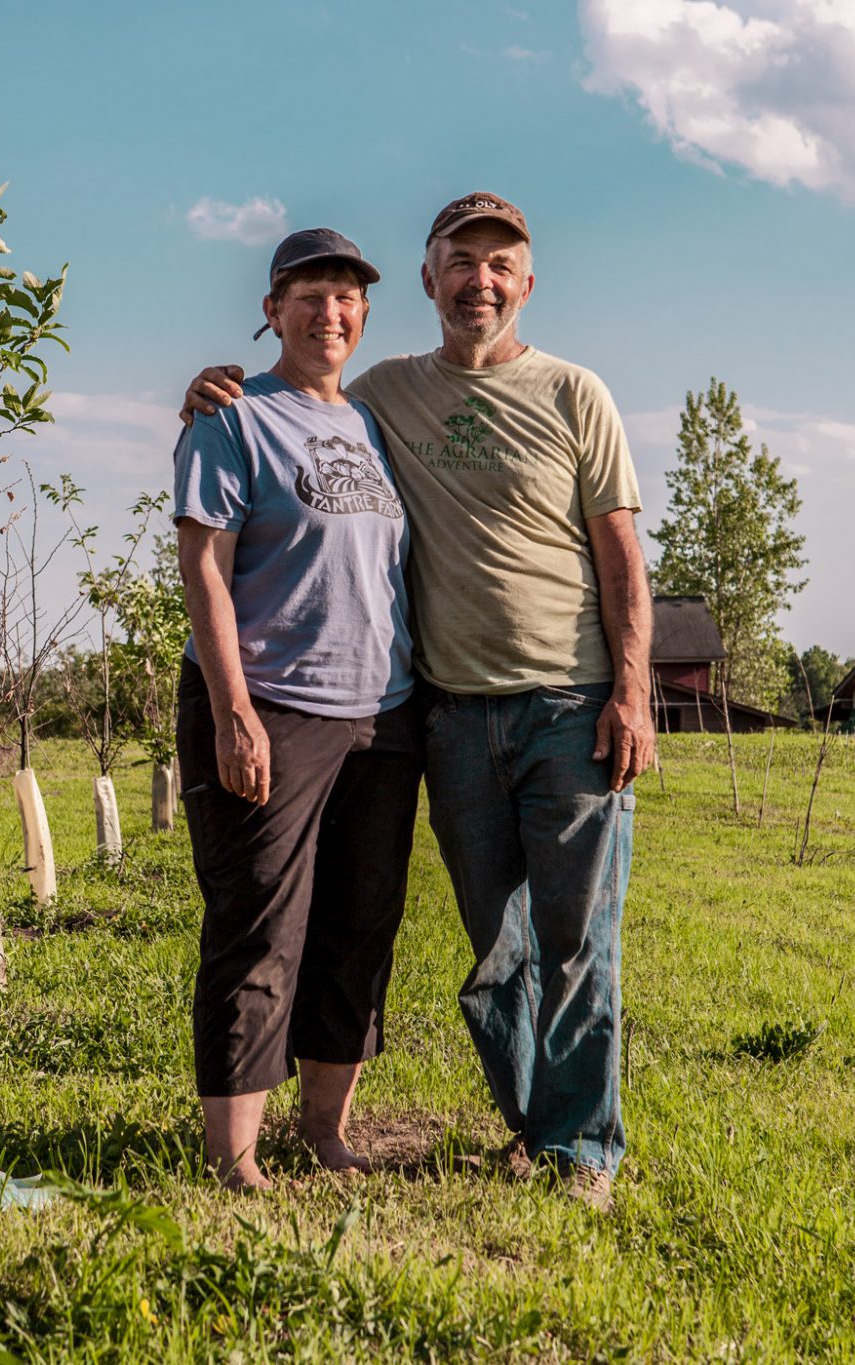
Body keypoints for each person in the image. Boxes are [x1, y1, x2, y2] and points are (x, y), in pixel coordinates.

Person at [183, 193, 655, 1209]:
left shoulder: (574, 393)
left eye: (500, 264)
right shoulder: (382, 396)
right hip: (449, 716)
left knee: (574, 938)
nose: (480, 280)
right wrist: (211, 390)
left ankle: (582, 1148)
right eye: (460, 261)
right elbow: (282, 417)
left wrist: (631, 690)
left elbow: (621, 551)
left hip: (565, 706)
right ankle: (535, 1126)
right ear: (430, 279)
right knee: (496, 950)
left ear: (526, 283)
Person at [172, 227, 420, 1192]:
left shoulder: (375, 425)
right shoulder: (232, 417)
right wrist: (233, 709)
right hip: (270, 704)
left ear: (365, 314)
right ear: (272, 311)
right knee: (260, 924)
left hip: (382, 715)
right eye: (310, 294)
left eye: (347, 296)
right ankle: (233, 1158)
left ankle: (325, 1131)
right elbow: (204, 565)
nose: (330, 311)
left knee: (359, 924)